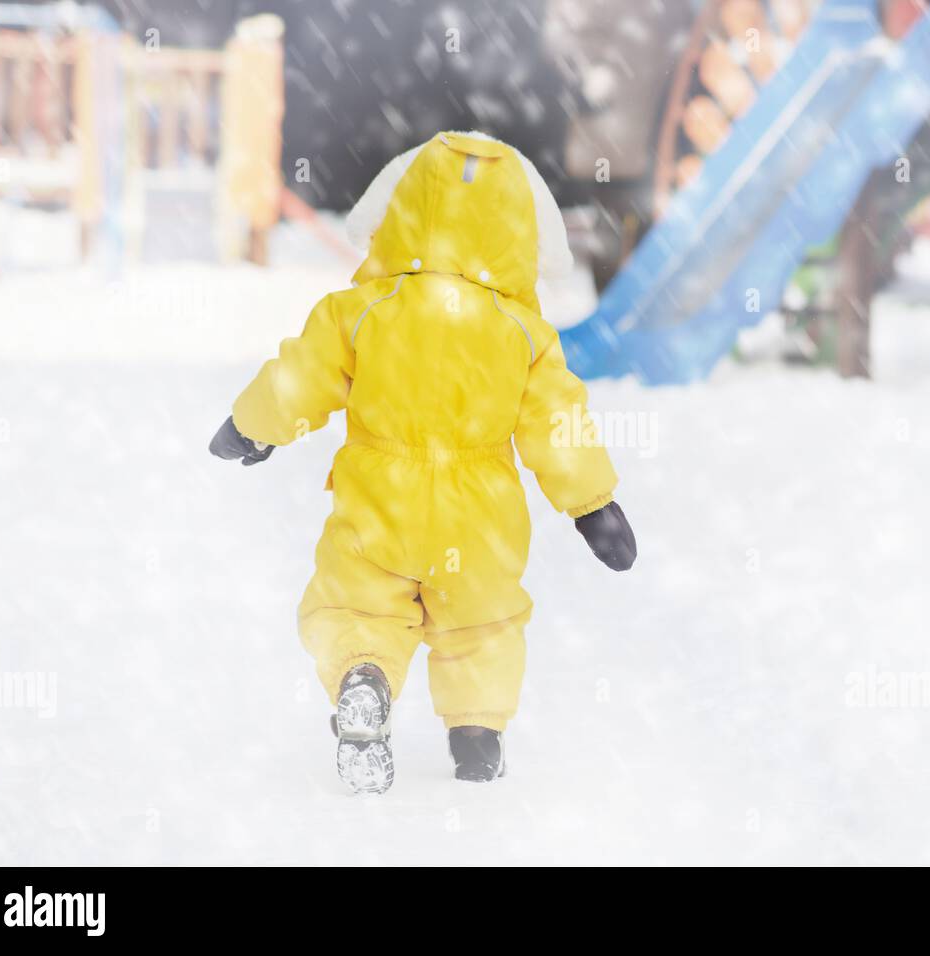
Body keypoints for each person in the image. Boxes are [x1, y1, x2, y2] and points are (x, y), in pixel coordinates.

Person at [210, 131, 636, 793]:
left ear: (402, 210)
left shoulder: (364, 310)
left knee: (360, 609)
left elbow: (304, 376)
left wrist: (251, 426)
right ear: (517, 233)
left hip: (381, 499)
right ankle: (477, 735)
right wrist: (593, 505)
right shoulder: (523, 332)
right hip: (480, 515)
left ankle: (364, 676)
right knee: (483, 621)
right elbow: (557, 420)